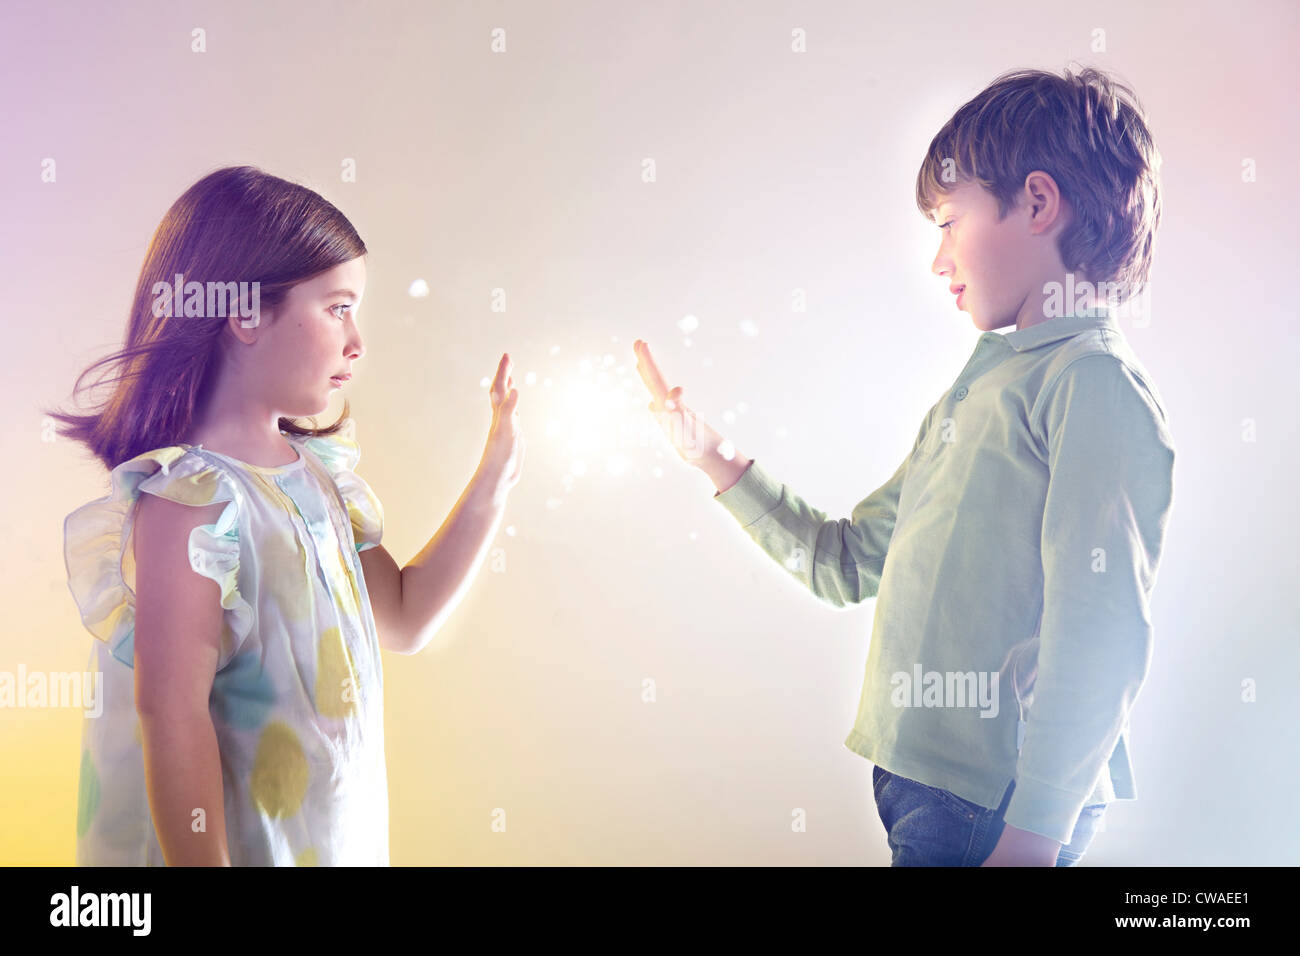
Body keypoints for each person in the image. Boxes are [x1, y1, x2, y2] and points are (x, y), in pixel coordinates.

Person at [634, 65, 1175, 866]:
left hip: (992, 814)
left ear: (1036, 203)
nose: (938, 260)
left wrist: (1030, 841)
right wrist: (708, 454)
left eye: (949, 222)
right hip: (924, 794)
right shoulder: (984, 384)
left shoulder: (1090, 383)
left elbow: (1101, 635)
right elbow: (844, 565)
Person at [52, 165, 524, 865]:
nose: (357, 341)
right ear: (244, 313)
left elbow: (405, 616)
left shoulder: (321, 484)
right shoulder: (193, 503)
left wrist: (495, 477)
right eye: (337, 308)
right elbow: (171, 712)